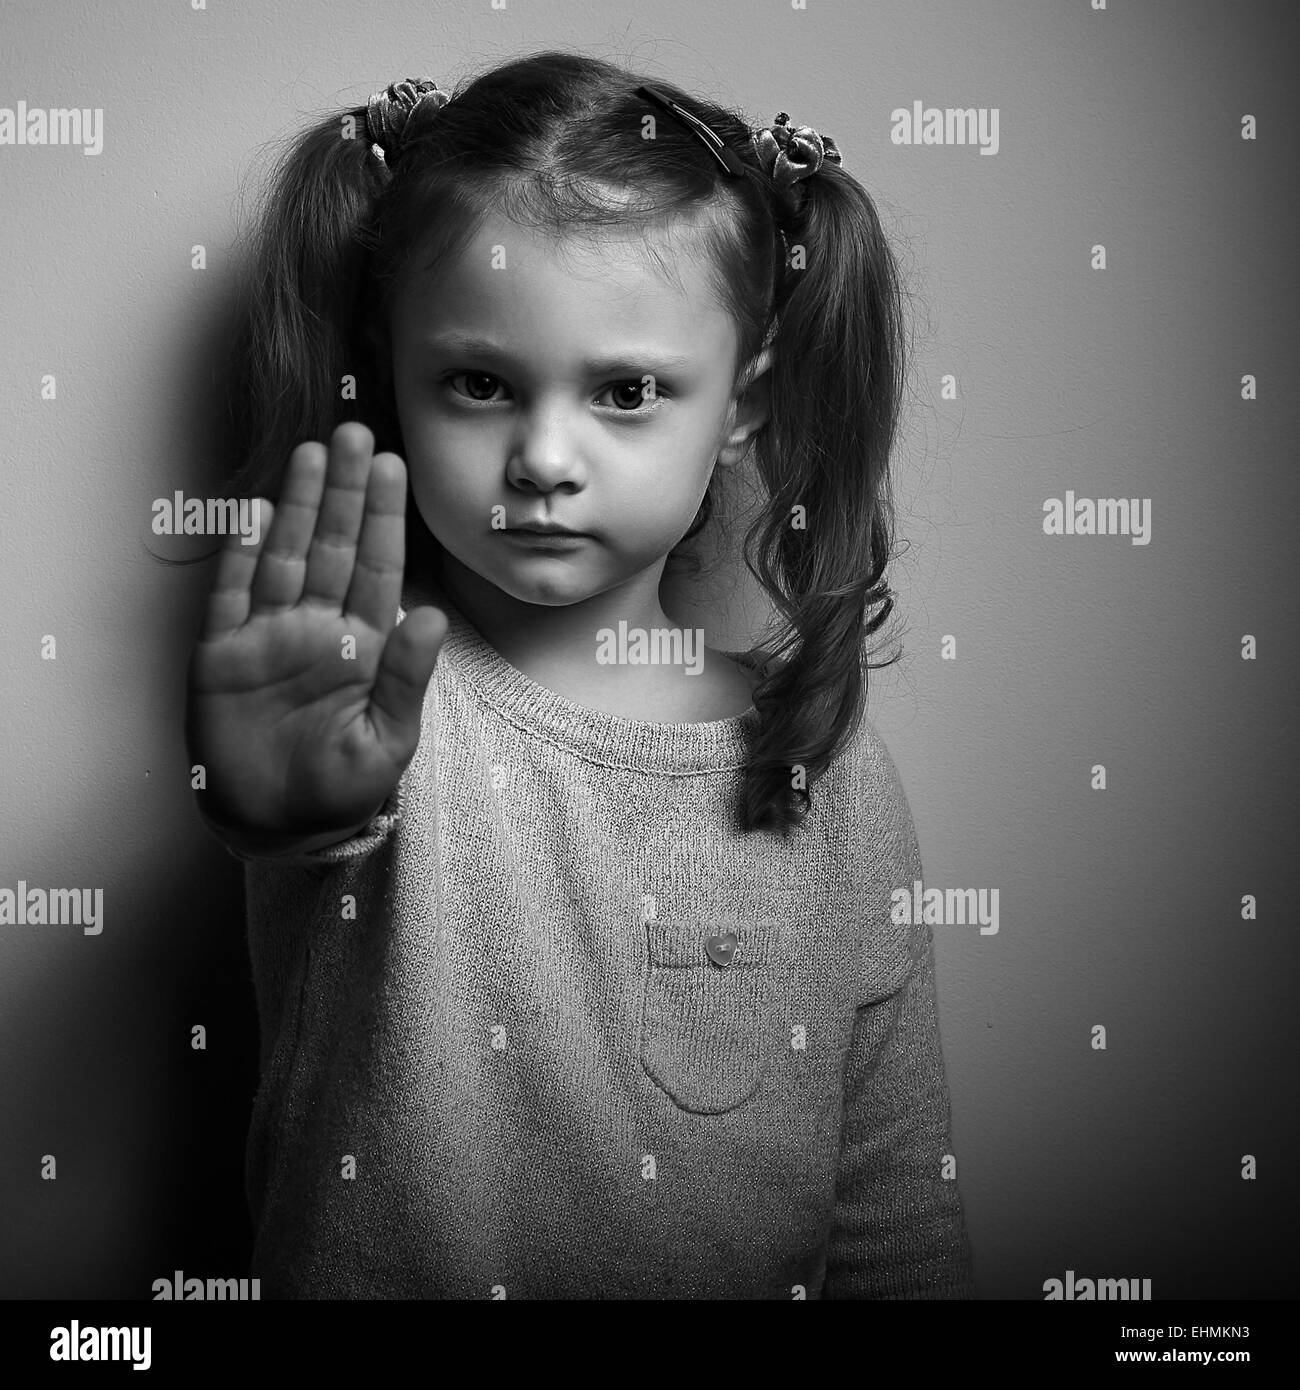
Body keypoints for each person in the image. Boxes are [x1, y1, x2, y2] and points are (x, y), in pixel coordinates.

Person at [185, 50, 977, 1299]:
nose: (543, 456)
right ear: (393, 377)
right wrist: (274, 806)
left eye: (626, 391)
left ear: (740, 412)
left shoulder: (825, 778)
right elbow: (311, 819)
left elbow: (894, 1220)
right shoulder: (372, 701)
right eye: (481, 383)